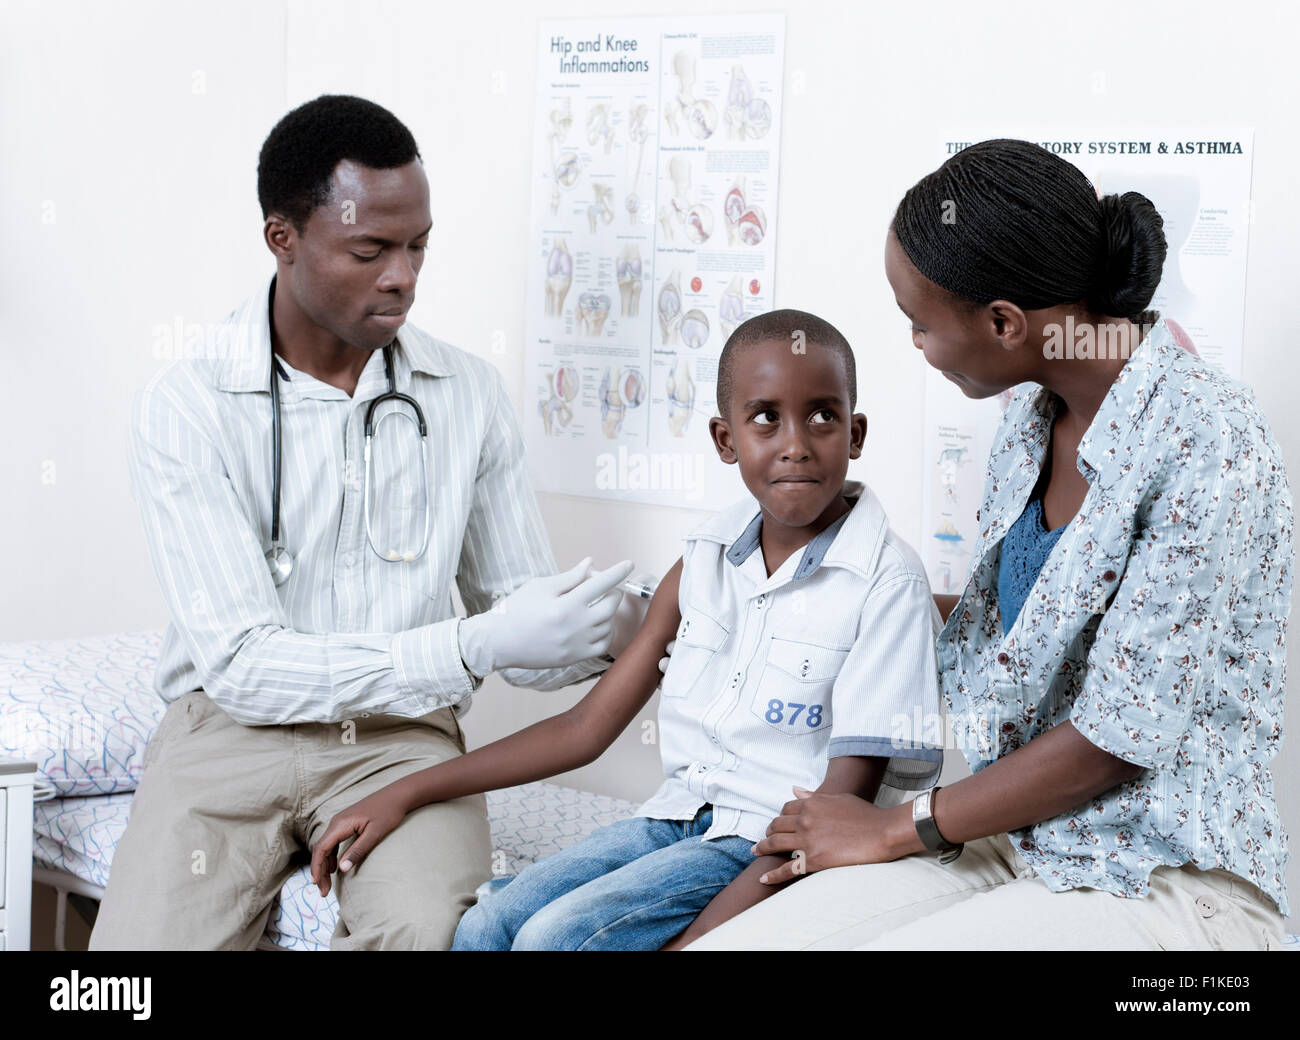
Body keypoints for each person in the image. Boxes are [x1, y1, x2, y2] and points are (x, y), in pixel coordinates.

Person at [684, 139, 1292, 951]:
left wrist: (896, 827)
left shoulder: (1210, 439)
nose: (915, 346)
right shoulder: (1027, 426)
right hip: (1025, 837)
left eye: (918, 324)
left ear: (1004, 324)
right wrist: (830, 594)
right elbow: (1017, 636)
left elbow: (1119, 734)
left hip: (1167, 874)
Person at [89, 95, 636, 951]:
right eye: (370, 250)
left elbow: (521, 634)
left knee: (426, 935)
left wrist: (606, 626)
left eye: (419, 245)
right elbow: (240, 665)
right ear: (283, 238)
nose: (404, 277)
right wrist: (469, 646)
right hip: (228, 735)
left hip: (402, 742)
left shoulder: (467, 396)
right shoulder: (187, 406)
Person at [309, 309, 946, 950]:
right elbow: (584, 730)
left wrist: (693, 943)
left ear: (855, 432)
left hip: (763, 842)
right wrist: (404, 791)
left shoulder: (886, 582)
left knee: (552, 940)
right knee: (485, 924)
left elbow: (829, 820)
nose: (795, 443)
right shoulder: (703, 558)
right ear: (726, 441)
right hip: (675, 818)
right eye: (764, 418)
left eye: (822, 416)